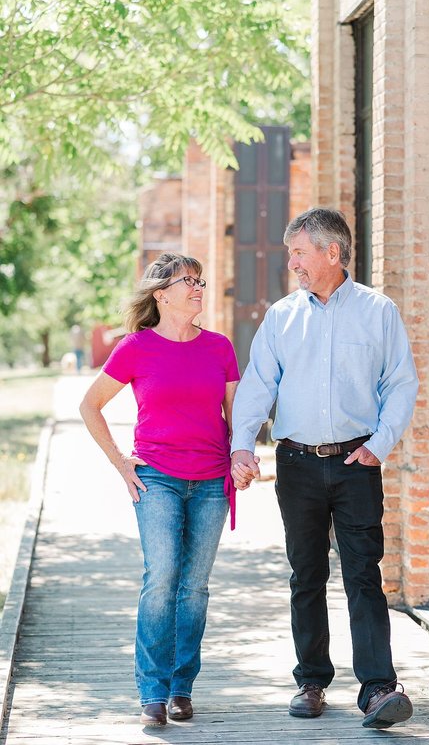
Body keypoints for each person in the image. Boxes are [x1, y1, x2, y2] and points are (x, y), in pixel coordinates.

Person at [230, 207, 419, 729]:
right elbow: (257, 384)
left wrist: (380, 444)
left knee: (363, 574)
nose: (292, 263)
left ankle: (379, 688)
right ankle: (311, 680)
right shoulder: (281, 316)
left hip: (357, 461)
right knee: (306, 574)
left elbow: (400, 382)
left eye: (299, 253)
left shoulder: (378, 312)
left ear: (332, 254)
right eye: (292, 253)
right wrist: (242, 445)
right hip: (296, 463)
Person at [79, 253, 239, 727]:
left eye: (200, 280)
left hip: (211, 480)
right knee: (162, 577)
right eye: (186, 281)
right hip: (157, 478)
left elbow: (238, 415)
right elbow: (90, 406)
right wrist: (120, 463)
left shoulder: (220, 347)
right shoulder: (135, 348)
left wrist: (240, 457)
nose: (197, 288)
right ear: (160, 294)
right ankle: (152, 690)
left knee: (195, 588)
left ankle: (181, 688)